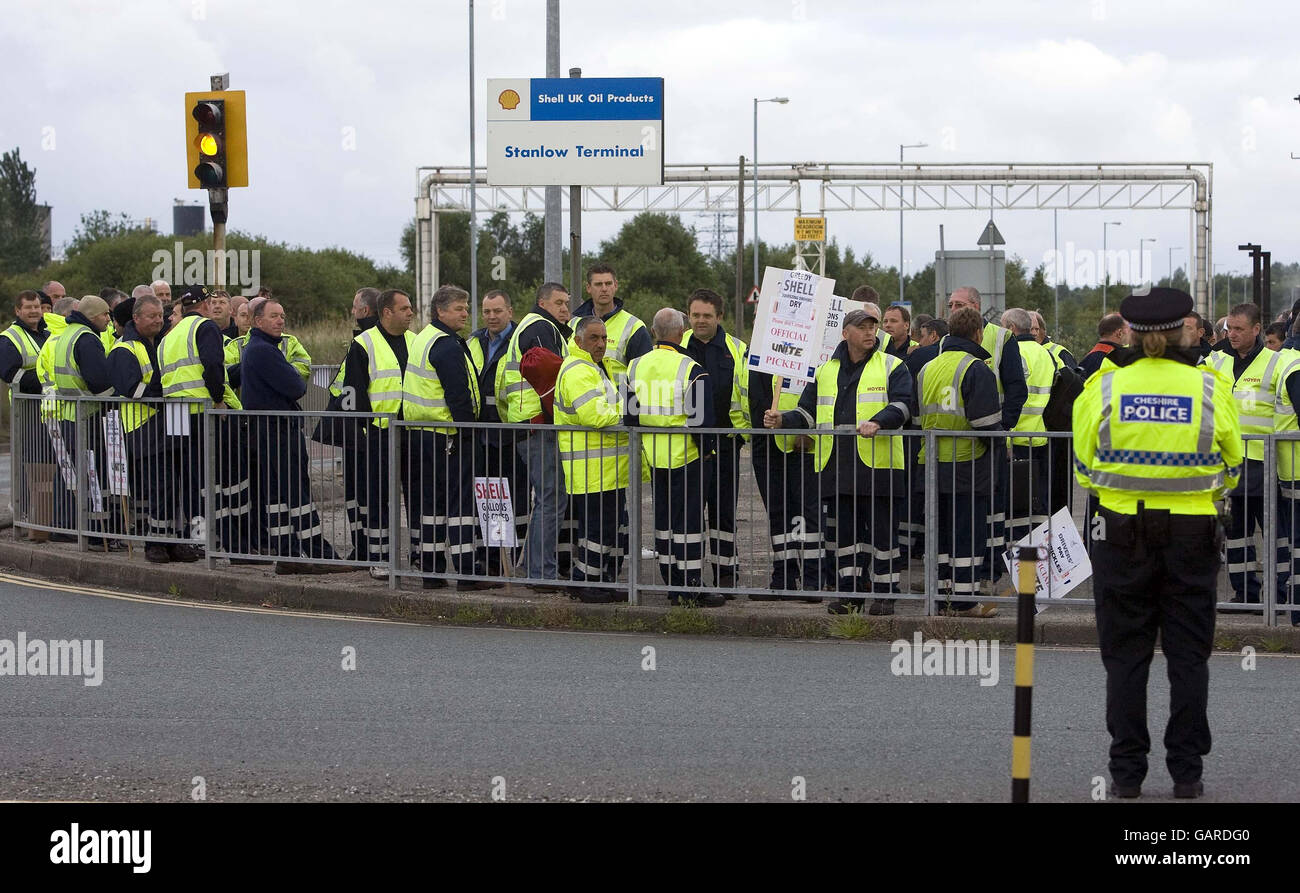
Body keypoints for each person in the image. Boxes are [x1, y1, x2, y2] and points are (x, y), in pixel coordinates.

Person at [1072, 287, 1241, 800]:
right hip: (1192, 538)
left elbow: (1083, 467)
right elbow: (1233, 465)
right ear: (1181, 331)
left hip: (1121, 535)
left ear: (1131, 334)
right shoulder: (1209, 386)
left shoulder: (1104, 387)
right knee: (1188, 658)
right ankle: (1186, 773)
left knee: (1126, 658)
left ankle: (1127, 774)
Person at [766, 305, 912, 615]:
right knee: (845, 537)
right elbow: (807, 413)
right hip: (836, 468)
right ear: (846, 334)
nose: (870, 331)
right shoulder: (825, 371)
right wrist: (783, 420)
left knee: (883, 536)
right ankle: (849, 595)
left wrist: (879, 421)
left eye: (872, 326)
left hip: (879, 467)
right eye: (862, 327)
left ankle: (885, 594)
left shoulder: (892, 365)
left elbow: (904, 406)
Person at [241, 298, 346, 575]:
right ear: (258, 321)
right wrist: (291, 374)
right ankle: (319, 554)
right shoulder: (264, 350)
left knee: (277, 496)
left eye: (283, 316)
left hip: (268, 431)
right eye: (274, 316)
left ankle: (287, 554)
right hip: (277, 431)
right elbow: (297, 386)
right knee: (297, 494)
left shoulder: (260, 348)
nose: (281, 321)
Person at [627, 308, 721, 606]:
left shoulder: (634, 367)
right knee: (688, 524)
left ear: (654, 332)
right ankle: (691, 586)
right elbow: (702, 421)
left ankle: (671, 582)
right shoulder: (691, 368)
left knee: (664, 522)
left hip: (654, 457)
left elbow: (630, 417)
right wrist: (708, 452)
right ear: (681, 334)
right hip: (688, 457)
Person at [914, 306, 1003, 617]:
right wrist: (1001, 444)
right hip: (967, 464)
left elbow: (917, 419)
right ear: (978, 333)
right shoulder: (976, 369)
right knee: (967, 535)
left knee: (940, 536)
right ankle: (964, 601)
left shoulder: (927, 368)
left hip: (931, 464)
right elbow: (986, 425)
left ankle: (941, 598)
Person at [401, 285, 488, 591]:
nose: (466, 313)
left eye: (466, 308)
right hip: (448, 436)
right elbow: (458, 395)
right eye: (459, 308)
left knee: (431, 506)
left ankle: (432, 571)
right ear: (440, 311)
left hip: (423, 434)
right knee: (460, 505)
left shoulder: (424, 337)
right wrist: (469, 431)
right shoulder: (447, 345)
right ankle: (467, 572)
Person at [159, 285, 252, 561]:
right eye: (211, 301)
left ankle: (200, 537)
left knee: (192, 478)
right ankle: (225, 540)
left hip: (175, 414)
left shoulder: (169, 336)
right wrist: (218, 399)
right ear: (204, 305)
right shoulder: (205, 327)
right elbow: (213, 365)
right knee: (216, 476)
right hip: (202, 410)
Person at [946, 286, 1027, 598]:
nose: (953, 309)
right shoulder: (945, 340)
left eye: (959, 304)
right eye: (950, 304)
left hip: (989, 441)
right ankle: (957, 577)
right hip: (956, 445)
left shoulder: (1001, 337)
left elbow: (1016, 389)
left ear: (976, 306)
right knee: (960, 516)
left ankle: (989, 572)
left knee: (992, 512)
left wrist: (1001, 429)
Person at [1203, 303, 1283, 611]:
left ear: (1256, 329)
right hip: (1228, 462)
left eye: (1239, 329)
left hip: (1265, 461)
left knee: (1275, 533)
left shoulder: (1275, 362)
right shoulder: (1216, 360)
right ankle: (1245, 595)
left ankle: (1280, 596)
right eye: (1229, 329)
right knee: (1236, 532)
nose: (1231, 334)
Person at [495, 281, 573, 590]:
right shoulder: (541, 327)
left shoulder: (530, 326)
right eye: (558, 303)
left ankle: (532, 566)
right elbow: (550, 379)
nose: (565, 308)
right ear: (542, 303)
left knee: (547, 499)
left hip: (528, 423)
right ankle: (541, 573)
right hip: (539, 424)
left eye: (566, 303)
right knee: (551, 499)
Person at [107, 295, 196, 563]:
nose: (158, 320)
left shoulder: (162, 342)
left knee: (175, 486)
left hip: (168, 424)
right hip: (143, 427)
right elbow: (132, 389)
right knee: (158, 487)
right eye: (152, 316)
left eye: (160, 315)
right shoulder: (124, 349)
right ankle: (155, 543)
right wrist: (168, 393)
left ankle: (174, 541)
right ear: (136, 318)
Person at [555, 316, 631, 603]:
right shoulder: (578, 370)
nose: (600, 344)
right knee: (597, 530)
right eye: (593, 338)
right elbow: (594, 416)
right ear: (578, 341)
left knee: (607, 528)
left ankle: (597, 581)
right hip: (592, 468)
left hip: (605, 468)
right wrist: (630, 416)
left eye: (603, 338)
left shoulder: (593, 367)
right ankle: (585, 582)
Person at [340, 288, 415, 577]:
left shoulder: (416, 341)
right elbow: (353, 393)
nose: (410, 313)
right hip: (378, 434)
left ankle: (419, 555)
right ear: (387, 313)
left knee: (417, 497)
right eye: (405, 308)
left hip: (412, 431)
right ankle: (379, 558)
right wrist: (360, 433)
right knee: (377, 499)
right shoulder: (363, 343)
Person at [682, 287, 749, 594]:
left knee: (723, 512)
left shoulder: (737, 349)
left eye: (707, 315)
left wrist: (743, 435)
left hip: (725, 443)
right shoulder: (678, 344)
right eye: (695, 315)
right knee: (691, 513)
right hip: (687, 446)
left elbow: (748, 393)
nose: (700, 320)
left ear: (720, 317)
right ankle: (692, 574)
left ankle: (726, 573)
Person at [47, 295, 120, 549]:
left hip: (70, 413)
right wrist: (117, 400)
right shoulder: (87, 339)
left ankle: (67, 526)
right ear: (92, 316)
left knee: (71, 474)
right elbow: (99, 382)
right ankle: (96, 533)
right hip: (88, 415)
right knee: (94, 476)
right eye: (105, 314)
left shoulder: (68, 333)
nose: (108, 319)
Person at [747, 365, 824, 602]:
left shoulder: (812, 354)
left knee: (809, 514)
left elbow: (823, 397)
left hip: (801, 444)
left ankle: (813, 580)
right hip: (765, 443)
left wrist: (808, 432)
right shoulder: (754, 357)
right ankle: (783, 579)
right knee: (777, 514)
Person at [467, 289, 528, 574]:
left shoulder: (519, 341)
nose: (492, 316)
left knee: (516, 499)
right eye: (487, 311)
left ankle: (515, 560)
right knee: (488, 499)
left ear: (510, 312)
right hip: (482, 434)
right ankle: (491, 558)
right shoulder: (474, 341)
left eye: (498, 311)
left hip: (511, 433)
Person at [1002, 307, 1059, 547]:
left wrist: (1005, 438)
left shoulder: (1013, 353)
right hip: (1040, 436)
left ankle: (1018, 555)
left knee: (1015, 506)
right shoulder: (1046, 353)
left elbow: (1012, 398)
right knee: (1037, 503)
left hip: (1015, 439)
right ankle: (1036, 553)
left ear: (1011, 328)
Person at [2, 290, 53, 542]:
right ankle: (24, 518)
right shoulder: (9, 338)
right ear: (18, 311)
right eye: (29, 307)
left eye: (37, 307)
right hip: (27, 411)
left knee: (46, 468)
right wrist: (45, 380)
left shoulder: (47, 334)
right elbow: (11, 375)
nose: (34, 311)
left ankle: (42, 521)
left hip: (48, 409)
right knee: (31, 467)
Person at [568, 263, 651, 390]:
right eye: (598, 284)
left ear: (615, 285)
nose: (604, 289)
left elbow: (644, 376)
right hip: (578, 397)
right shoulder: (573, 324)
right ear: (588, 288)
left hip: (617, 400)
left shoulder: (634, 327)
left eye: (608, 284)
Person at [1078, 313, 1131, 380]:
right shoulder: (1116, 360)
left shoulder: (1087, 358)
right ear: (1119, 333)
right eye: (1129, 329)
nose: (1130, 333)